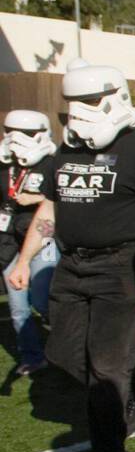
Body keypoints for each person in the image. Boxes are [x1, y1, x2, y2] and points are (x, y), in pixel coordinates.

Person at [8, 60, 135, 452]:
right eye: (72, 103)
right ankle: (130, 389)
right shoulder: (66, 152)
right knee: (62, 354)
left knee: (105, 366)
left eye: (88, 101)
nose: (79, 112)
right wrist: (25, 259)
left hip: (120, 266)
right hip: (72, 265)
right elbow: (48, 208)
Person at [1, 111, 60, 375]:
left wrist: (36, 199)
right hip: (9, 242)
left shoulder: (52, 163)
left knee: (42, 299)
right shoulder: (5, 165)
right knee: (17, 307)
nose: (15, 139)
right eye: (9, 130)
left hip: (42, 238)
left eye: (22, 133)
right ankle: (33, 356)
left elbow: (59, 201)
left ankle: (64, 348)